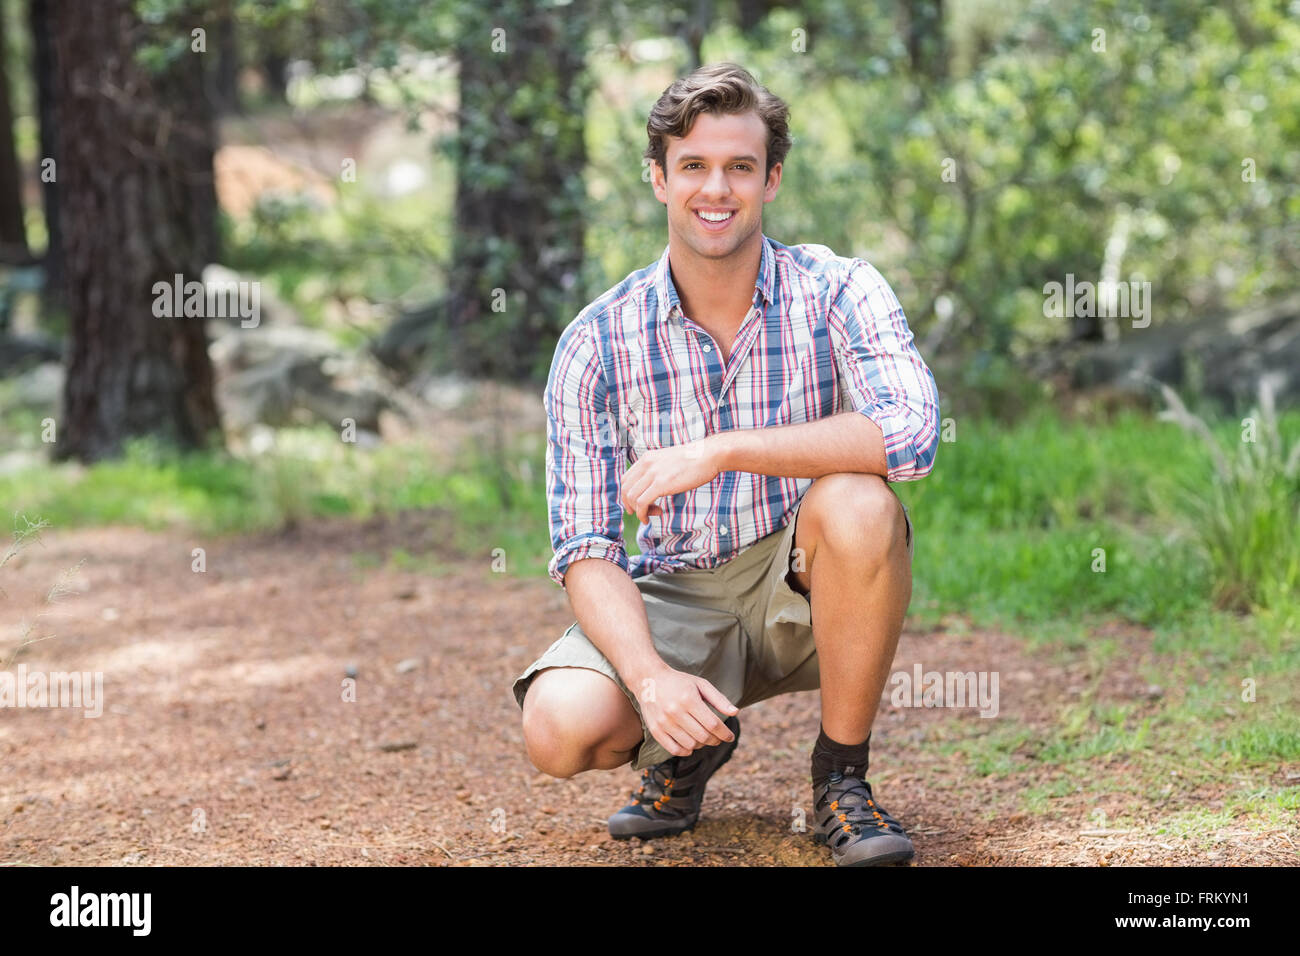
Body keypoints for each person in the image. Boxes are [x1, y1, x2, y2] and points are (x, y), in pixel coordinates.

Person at [511, 61, 940, 867]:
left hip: (805, 579)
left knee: (858, 504)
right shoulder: (596, 343)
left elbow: (913, 436)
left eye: (741, 166)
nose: (718, 188)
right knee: (560, 727)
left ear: (772, 178)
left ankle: (840, 778)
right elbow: (586, 548)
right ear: (658, 179)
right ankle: (689, 744)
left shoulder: (839, 289)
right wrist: (648, 678)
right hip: (677, 590)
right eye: (694, 166)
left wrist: (724, 451)